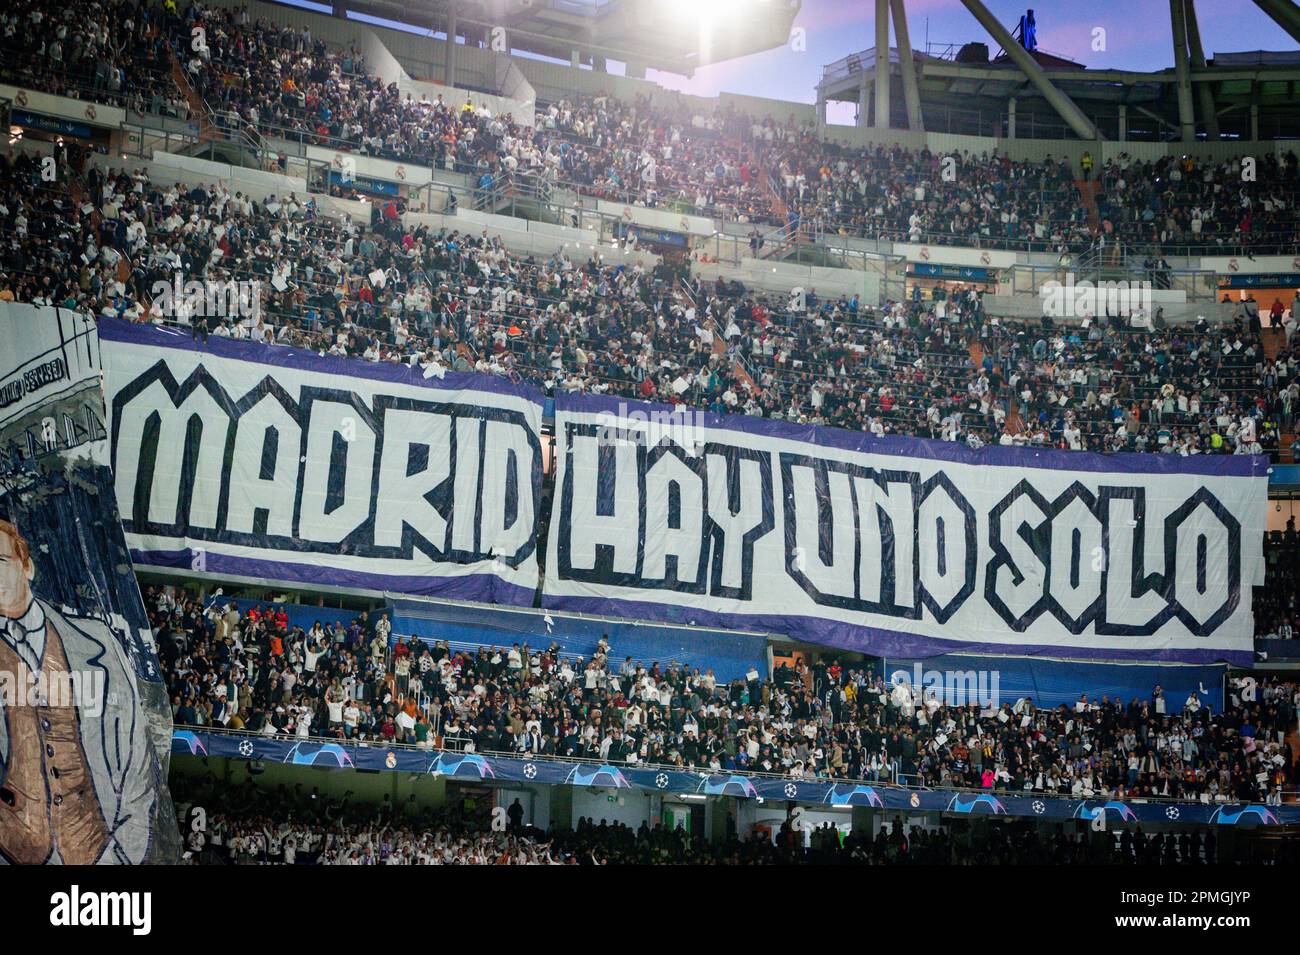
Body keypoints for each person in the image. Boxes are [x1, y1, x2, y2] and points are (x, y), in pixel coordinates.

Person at [0, 520, 160, 864]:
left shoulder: (99, 642)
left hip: (98, 853)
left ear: (26, 566)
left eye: (0, 563)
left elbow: (136, 763)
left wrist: (120, 856)